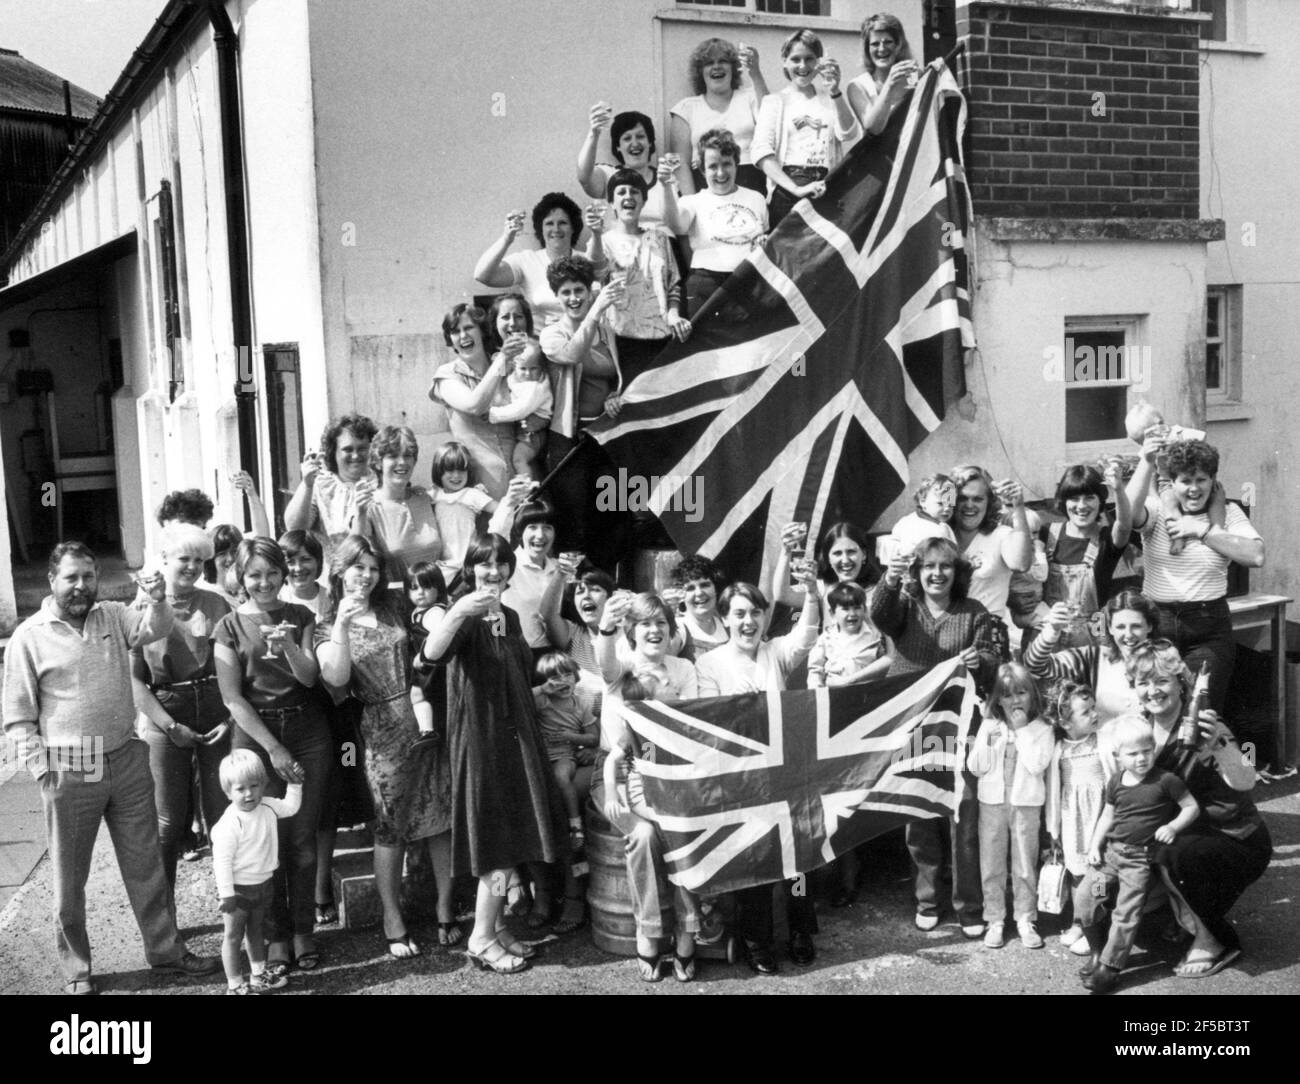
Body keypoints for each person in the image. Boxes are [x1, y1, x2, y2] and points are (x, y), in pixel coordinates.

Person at [2, 541, 220, 994]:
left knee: (147, 865)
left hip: (125, 755)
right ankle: (77, 970)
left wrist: (158, 598)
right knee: (70, 875)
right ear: (51, 581)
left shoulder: (112, 616)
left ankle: (166, 952)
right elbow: (18, 717)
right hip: (70, 765)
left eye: (88, 576)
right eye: (71, 577)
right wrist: (44, 770)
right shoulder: (29, 635)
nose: (81, 586)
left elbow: (154, 629)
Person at [421, 534, 562, 973]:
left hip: (513, 738)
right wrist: (458, 611)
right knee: (495, 842)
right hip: (480, 741)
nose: (495, 571)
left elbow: (510, 673)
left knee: (511, 834)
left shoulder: (509, 616)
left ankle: (499, 928)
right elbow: (431, 655)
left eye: (502, 563)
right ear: (470, 568)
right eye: (485, 563)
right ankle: (481, 938)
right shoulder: (457, 612)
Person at [317, 535, 451, 958]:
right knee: (390, 823)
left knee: (439, 813)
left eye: (373, 568)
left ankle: (446, 907)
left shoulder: (394, 605)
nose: (367, 576)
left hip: (424, 714)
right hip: (379, 727)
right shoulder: (324, 625)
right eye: (359, 568)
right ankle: (393, 917)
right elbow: (336, 681)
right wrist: (340, 623)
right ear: (340, 572)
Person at [869, 537, 998, 938]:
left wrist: (982, 662)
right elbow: (881, 616)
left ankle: (970, 907)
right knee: (920, 817)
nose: (937, 574)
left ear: (957, 572)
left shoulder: (974, 612)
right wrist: (889, 581)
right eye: (928, 567)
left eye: (945, 566)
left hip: (960, 729)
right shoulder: (905, 607)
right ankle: (927, 901)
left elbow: (993, 666)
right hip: (916, 727)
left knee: (964, 819)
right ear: (917, 572)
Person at [695, 573, 822, 973]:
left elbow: (807, 633)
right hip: (742, 776)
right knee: (757, 860)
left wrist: (813, 593)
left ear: (765, 618)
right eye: (739, 614)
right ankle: (758, 942)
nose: (748, 621)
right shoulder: (709, 663)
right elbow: (708, 722)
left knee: (799, 858)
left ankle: (801, 931)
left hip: (785, 770)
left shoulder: (775, 652)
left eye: (755, 613)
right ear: (726, 619)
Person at [213, 537, 326, 977]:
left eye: (272, 573)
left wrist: (291, 648)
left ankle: (302, 932)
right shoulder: (227, 627)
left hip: (307, 730)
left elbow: (311, 677)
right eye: (254, 574)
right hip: (255, 735)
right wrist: (273, 749)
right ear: (241, 577)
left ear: (283, 573)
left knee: (300, 840)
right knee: (261, 843)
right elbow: (232, 698)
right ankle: (274, 936)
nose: (264, 582)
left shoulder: (301, 616)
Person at [1127, 641, 1271, 980]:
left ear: (1181, 682)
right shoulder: (1142, 726)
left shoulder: (1206, 724)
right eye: (1143, 682)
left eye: (1161, 681)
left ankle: (1213, 940)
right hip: (1188, 832)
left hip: (1237, 838)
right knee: (1124, 911)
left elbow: (1246, 778)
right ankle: (1188, 917)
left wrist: (1220, 746)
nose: (1153, 690)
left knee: (1169, 853)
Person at [1126, 436, 1265, 712]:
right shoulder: (1158, 511)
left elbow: (1256, 555)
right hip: (1158, 623)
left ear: (1213, 481)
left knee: (1198, 713)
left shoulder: (1228, 513)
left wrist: (1201, 531)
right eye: (1185, 481)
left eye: (1201, 480)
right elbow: (1127, 515)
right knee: (1154, 710)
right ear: (1171, 483)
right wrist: (1145, 460)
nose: (1193, 489)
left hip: (1208, 628)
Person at [130, 523, 232, 889]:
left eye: (199, 560)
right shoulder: (141, 609)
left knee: (223, 815)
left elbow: (237, 663)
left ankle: (234, 906)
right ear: (164, 560)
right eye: (183, 558)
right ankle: (163, 917)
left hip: (216, 709)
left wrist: (233, 715)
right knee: (168, 821)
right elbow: (134, 680)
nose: (191, 566)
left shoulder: (216, 602)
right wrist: (171, 727)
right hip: (166, 713)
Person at [1076, 715, 1200, 993]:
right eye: (1132, 754)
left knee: (1126, 912)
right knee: (1088, 896)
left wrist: (1172, 826)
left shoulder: (1166, 780)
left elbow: (1191, 807)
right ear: (1117, 756)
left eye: (1147, 750)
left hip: (1137, 862)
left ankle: (1110, 967)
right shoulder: (1117, 781)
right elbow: (1107, 815)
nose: (1141, 758)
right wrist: (1095, 845)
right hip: (1110, 857)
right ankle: (1097, 953)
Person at [537, 256, 630, 574]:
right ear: (557, 296)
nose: (574, 298)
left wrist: (615, 396)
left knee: (616, 517)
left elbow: (614, 377)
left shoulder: (606, 331)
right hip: (570, 443)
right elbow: (573, 353)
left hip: (606, 440)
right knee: (575, 527)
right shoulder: (551, 334)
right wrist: (595, 311)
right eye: (566, 292)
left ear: (589, 290)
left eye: (579, 290)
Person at [967, 662, 1054, 950]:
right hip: (992, 802)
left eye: (1020, 692)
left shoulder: (1041, 729)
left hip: (1025, 805)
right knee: (991, 861)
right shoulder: (991, 726)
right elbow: (976, 767)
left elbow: (1037, 764)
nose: (1015, 700)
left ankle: (1025, 918)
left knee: (1024, 863)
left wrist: (1021, 730)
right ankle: (994, 919)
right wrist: (990, 739)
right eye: (1006, 695)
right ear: (997, 699)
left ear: (1032, 695)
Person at [751, 28, 863, 227]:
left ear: (818, 61)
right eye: (795, 59)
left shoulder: (829, 98)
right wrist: (795, 188)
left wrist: (836, 91)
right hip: (788, 189)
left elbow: (848, 133)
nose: (803, 66)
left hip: (825, 186)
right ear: (785, 61)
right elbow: (761, 153)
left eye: (809, 59)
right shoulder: (774, 101)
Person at [211, 749, 299, 994]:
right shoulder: (228, 825)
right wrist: (226, 894)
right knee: (233, 936)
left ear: (264, 785)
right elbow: (222, 861)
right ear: (228, 791)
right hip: (238, 891)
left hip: (263, 884)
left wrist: (295, 784)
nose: (249, 794)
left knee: (257, 932)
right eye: (240, 789)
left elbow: (291, 807)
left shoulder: (268, 806)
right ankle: (235, 985)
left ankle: (258, 975)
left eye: (255, 785)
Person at [1020, 462, 1132, 649]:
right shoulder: (1047, 533)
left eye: (1089, 498)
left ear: (1101, 501)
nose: (1081, 506)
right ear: (1064, 501)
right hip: (1047, 630)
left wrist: (1118, 489)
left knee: (1094, 675)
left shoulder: (1107, 539)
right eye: (1074, 498)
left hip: (1095, 630)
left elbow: (1125, 525)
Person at [665, 128, 769, 321]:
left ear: (736, 164)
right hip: (705, 287)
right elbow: (677, 226)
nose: (720, 173)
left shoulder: (756, 199)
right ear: (703, 170)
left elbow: (763, 241)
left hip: (748, 285)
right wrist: (665, 186)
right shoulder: (692, 201)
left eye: (727, 164)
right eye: (713, 166)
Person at [597, 166, 692, 376]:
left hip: (661, 337)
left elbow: (673, 284)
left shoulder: (660, 239)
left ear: (643, 200)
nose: (628, 196)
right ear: (611, 202)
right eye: (621, 192)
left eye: (634, 192)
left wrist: (674, 315)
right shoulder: (604, 242)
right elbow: (595, 276)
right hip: (621, 338)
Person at [1044, 682, 1113, 956]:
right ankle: (1078, 921)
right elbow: (1054, 789)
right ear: (1066, 722)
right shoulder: (1059, 749)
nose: (1095, 714)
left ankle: (1096, 925)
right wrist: (1054, 828)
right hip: (1073, 819)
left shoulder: (1104, 742)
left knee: (1098, 876)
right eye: (1086, 712)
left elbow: (1115, 781)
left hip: (1099, 818)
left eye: (1094, 707)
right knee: (1076, 873)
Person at [1024, 589, 1159, 726]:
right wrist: (1052, 630)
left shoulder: (1164, 661)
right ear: (1110, 628)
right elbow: (1035, 664)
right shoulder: (1093, 658)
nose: (1128, 634)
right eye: (1120, 627)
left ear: (1149, 626)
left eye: (1136, 626)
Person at [428, 303, 518, 500]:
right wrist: (501, 361)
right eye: (455, 331)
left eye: (468, 328)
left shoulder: (510, 368)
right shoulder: (447, 375)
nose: (463, 336)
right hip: (479, 489)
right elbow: (473, 405)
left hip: (520, 479)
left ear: (481, 330)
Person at [473, 193, 602, 327]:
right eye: (549, 223)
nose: (556, 229)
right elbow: (482, 275)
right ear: (541, 228)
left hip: (587, 340)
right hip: (542, 344)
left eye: (562, 223)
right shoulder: (527, 260)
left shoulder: (588, 259)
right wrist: (507, 238)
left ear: (573, 227)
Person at [668, 38, 769, 195]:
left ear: (734, 68)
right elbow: (680, 163)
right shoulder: (685, 109)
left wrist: (755, 72)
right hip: (706, 184)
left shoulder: (750, 97)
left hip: (751, 182)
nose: (716, 66)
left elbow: (770, 120)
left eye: (723, 61)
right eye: (709, 63)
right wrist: (691, 203)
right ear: (700, 72)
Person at [283, 414, 380, 566]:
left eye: (362, 448)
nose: (355, 455)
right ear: (333, 452)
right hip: (331, 577)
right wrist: (307, 485)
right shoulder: (322, 485)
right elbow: (295, 528)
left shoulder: (380, 483)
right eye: (347, 449)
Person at [533, 651, 599, 847]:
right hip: (539, 756)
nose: (563, 681)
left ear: (575, 677)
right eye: (555, 677)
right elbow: (519, 699)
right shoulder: (542, 701)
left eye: (567, 675)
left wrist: (572, 737)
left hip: (564, 755)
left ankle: (575, 825)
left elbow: (593, 737)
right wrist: (542, 689)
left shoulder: (581, 704)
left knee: (560, 776)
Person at [578, 107, 680, 232]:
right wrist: (594, 133)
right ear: (618, 147)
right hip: (618, 249)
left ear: (650, 143)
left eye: (640, 136)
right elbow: (584, 176)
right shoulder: (609, 175)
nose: (635, 143)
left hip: (660, 247)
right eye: (627, 138)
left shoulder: (666, 179)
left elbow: (677, 225)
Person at [359, 425, 443, 575]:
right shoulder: (370, 506)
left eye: (407, 455)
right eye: (393, 456)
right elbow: (355, 556)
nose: (402, 461)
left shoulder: (424, 498)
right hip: (394, 596)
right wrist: (360, 514)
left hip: (436, 592)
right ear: (378, 462)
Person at [486, 304, 553, 480]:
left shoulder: (534, 384)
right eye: (505, 317)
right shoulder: (498, 360)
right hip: (512, 434)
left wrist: (493, 414)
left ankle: (529, 492)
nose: (528, 374)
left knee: (520, 460)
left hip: (532, 433)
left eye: (518, 316)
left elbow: (520, 409)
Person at [428, 441, 498, 577]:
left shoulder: (472, 494)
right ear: (438, 471)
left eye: (461, 470)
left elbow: (500, 510)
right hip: (443, 563)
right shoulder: (434, 494)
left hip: (466, 559)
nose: (456, 476)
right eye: (449, 470)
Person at [846, 12, 919, 138]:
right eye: (875, 44)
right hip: (878, 157)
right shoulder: (858, 86)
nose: (881, 49)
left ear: (898, 45)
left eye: (888, 42)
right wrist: (889, 86)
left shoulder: (915, 78)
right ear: (867, 49)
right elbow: (873, 128)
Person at [807, 582, 889, 688]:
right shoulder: (826, 639)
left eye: (857, 608)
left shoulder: (875, 636)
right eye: (845, 609)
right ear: (832, 613)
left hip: (867, 691)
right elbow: (815, 669)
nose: (852, 613)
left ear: (864, 609)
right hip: (834, 692)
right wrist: (817, 691)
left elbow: (885, 665)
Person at [668, 554, 729, 658]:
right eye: (691, 588)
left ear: (715, 589)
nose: (699, 593)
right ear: (682, 595)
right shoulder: (679, 629)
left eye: (705, 585)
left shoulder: (727, 626)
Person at [887, 473, 958, 555]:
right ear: (923, 501)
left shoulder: (943, 526)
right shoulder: (936, 530)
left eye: (950, 504)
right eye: (940, 504)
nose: (947, 508)